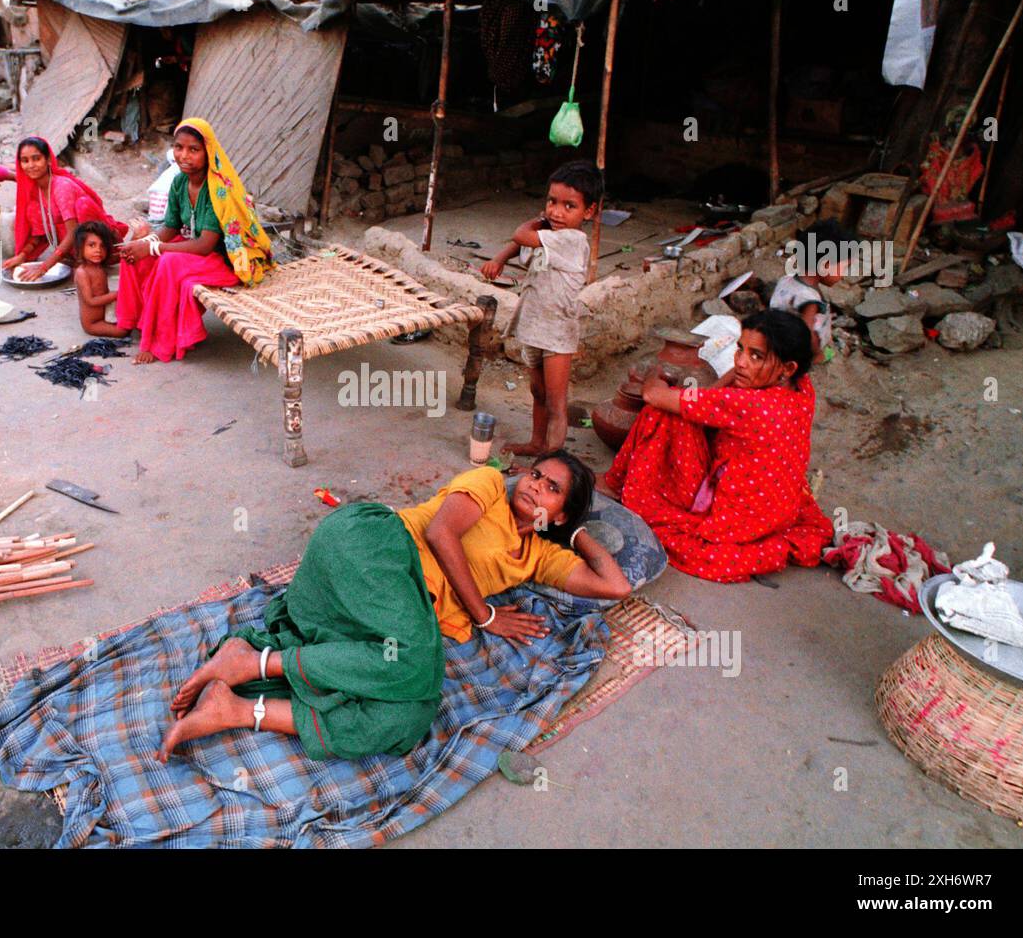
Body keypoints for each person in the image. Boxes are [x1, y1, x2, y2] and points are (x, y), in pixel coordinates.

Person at [157, 451, 631, 762]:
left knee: (412, 713)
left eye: (551, 488)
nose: (533, 486)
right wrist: (484, 615)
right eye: (535, 474)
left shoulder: (540, 556)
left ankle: (237, 709)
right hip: (372, 548)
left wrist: (573, 531)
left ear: (563, 510)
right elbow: (440, 534)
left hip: (367, 617)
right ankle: (252, 661)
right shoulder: (487, 485)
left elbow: (615, 586)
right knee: (417, 662)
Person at [603, 310, 833, 584]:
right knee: (685, 410)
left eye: (756, 356)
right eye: (740, 349)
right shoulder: (803, 389)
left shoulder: (751, 406)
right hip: (777, 512)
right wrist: (741, 369)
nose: (741, 362)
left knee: (661, 413)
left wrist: (655, 375)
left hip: (730, 520)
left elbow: (654, 395)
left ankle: (616, 483)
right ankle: (619, 480)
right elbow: (716, 394)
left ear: (788, 368)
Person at [115, 118, 273, 364]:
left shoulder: (217, 190)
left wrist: (153, 247)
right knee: (132, 256)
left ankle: (159, 341)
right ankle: (135, 324)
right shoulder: (179, 181)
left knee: (168, 263)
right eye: (179, 147)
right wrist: (145, 243)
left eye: (193, 150)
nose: (184, 156)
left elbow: (205, 245)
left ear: (207, 152)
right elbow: (171, 226)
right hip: (195, 249)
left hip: (226, 259)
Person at [481, 159, 600, 457]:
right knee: (539, 392)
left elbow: (521, 235)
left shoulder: (571, 240)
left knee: (557, 403)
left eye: (568, 206)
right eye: (551, 202)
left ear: (589, 212)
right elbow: (519, 245)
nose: (556, 212)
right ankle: (537, 442)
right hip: (535, 326)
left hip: (558, 332)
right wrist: (499, 259)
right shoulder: (549, 237)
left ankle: (550, 459)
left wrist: (538, 221)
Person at [3, 136, 130, 282]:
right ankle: (77, 258)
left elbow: (73, 232)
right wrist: (22, 256)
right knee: (32, 209)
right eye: (25, 161)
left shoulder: (61, 187)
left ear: (49, 160)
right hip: (73, 249)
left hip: (101, 247)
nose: (31, 165)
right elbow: (40, 234)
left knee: (83, 206)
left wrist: (44, 267)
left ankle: (91, 261)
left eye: (36, 159)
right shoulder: (35, 192)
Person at [771, 218, 855, 363]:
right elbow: (806, 335)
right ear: (827, 265)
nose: (844, 275)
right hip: (790, 350)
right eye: (844, 268)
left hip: (775, 336)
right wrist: (818, 354)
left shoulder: (786, 279)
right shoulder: (810, 300)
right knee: (822, 349)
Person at [72, 221, 129, 339]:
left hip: (105, 315)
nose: (98, 250)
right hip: (93, 323)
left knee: (130, 319)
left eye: (102, 246)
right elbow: (91, 301)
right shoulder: (82, 273)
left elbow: (122, 255)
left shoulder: (99, 267)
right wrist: (116, 295)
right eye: (92, 245)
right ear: (80, 247)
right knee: (123, 331)